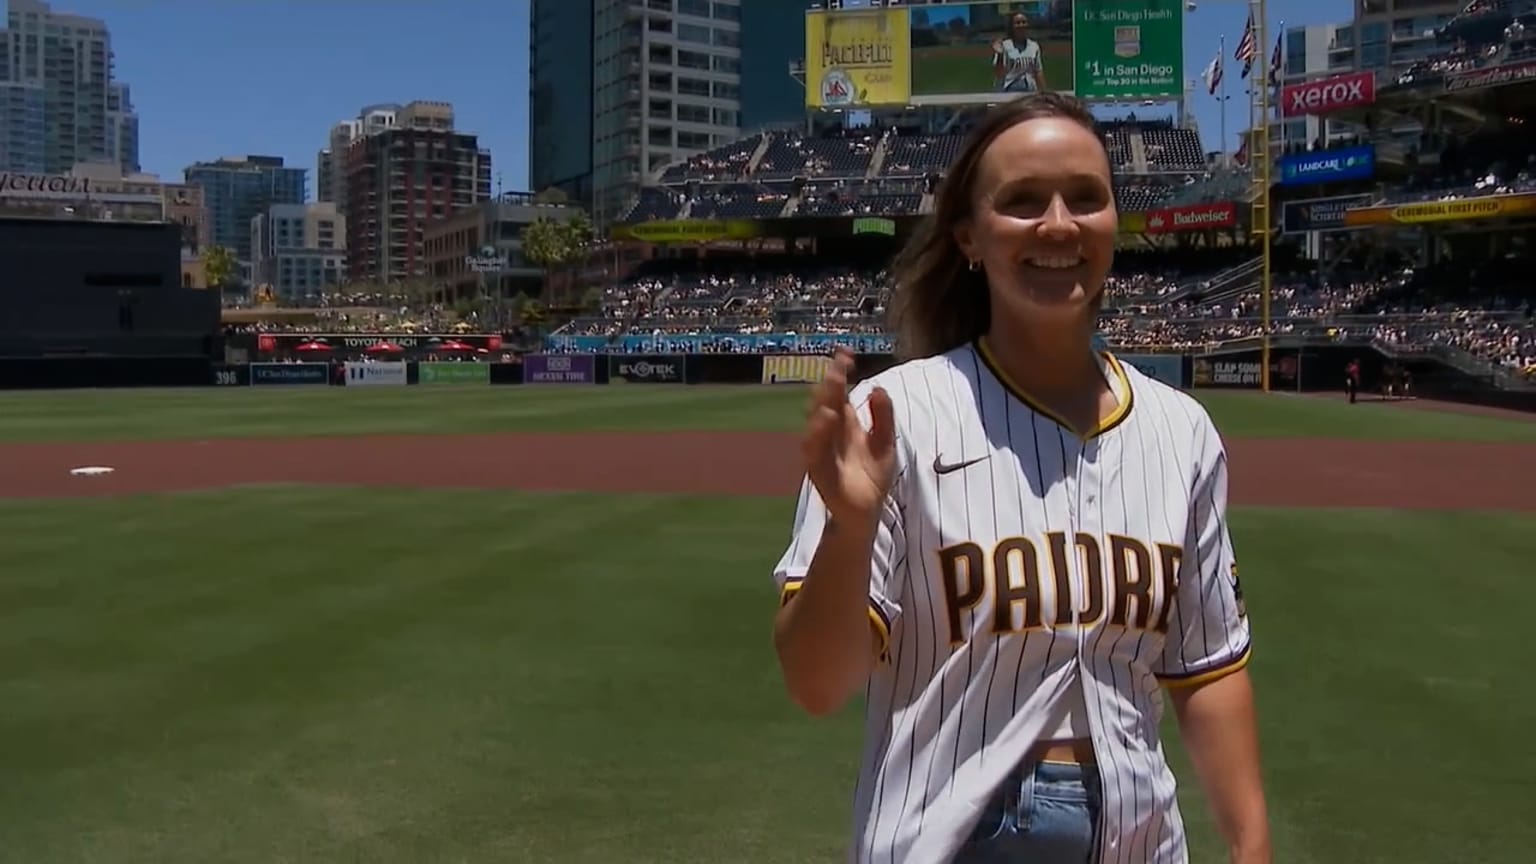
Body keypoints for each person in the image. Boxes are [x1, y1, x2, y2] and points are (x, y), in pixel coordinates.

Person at [770, 93, 1271, 864]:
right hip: (952, 835)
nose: (1059, 225)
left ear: (1114, 222)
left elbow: (1205, 668)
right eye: (1023, 201)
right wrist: (851, 527)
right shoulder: (893, 418)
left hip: (1140, 837)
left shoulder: (1182, 431)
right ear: (969, 236)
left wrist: (1250, 844)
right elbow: (816, 684)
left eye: (1086, 198)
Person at [991, 12, 1047, 93]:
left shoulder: (1034, 46)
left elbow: (1038, 71)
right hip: (1007, 91)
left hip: (1029, 90)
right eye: (1017, 23)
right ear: (1012, 27)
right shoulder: (1004, 46)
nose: (1021, 25)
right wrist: (1000, 55)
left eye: (1024, 22)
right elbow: (999, 74)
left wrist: (1044, 92)